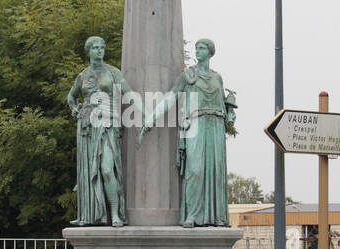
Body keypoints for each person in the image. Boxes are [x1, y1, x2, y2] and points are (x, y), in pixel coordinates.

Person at [138, 38, 236, 227]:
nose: (198, 51)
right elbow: (171, 97)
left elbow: (225, 104)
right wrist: (152, 117)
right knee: (195, 170)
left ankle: (217, 216)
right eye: (196, 48)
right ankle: (192, 215)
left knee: (215, 171)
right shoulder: (188, 75)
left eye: (202, 48)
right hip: (196, 124)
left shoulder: (217, 78)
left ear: (210, 52)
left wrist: (230, 113)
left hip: (215, 125)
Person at [67, 35, 134, 227]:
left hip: (108, 123)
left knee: (106, 169)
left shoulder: (112, 72)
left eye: (102, 47)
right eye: (95, 47)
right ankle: (94, 215)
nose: (99, 50)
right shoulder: (82, 76)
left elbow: (128, 92)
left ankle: (115, 213)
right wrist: (74, 108)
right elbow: (71, 97)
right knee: (90, 171)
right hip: (87, 127)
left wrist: (143, 112)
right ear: (88, 51)